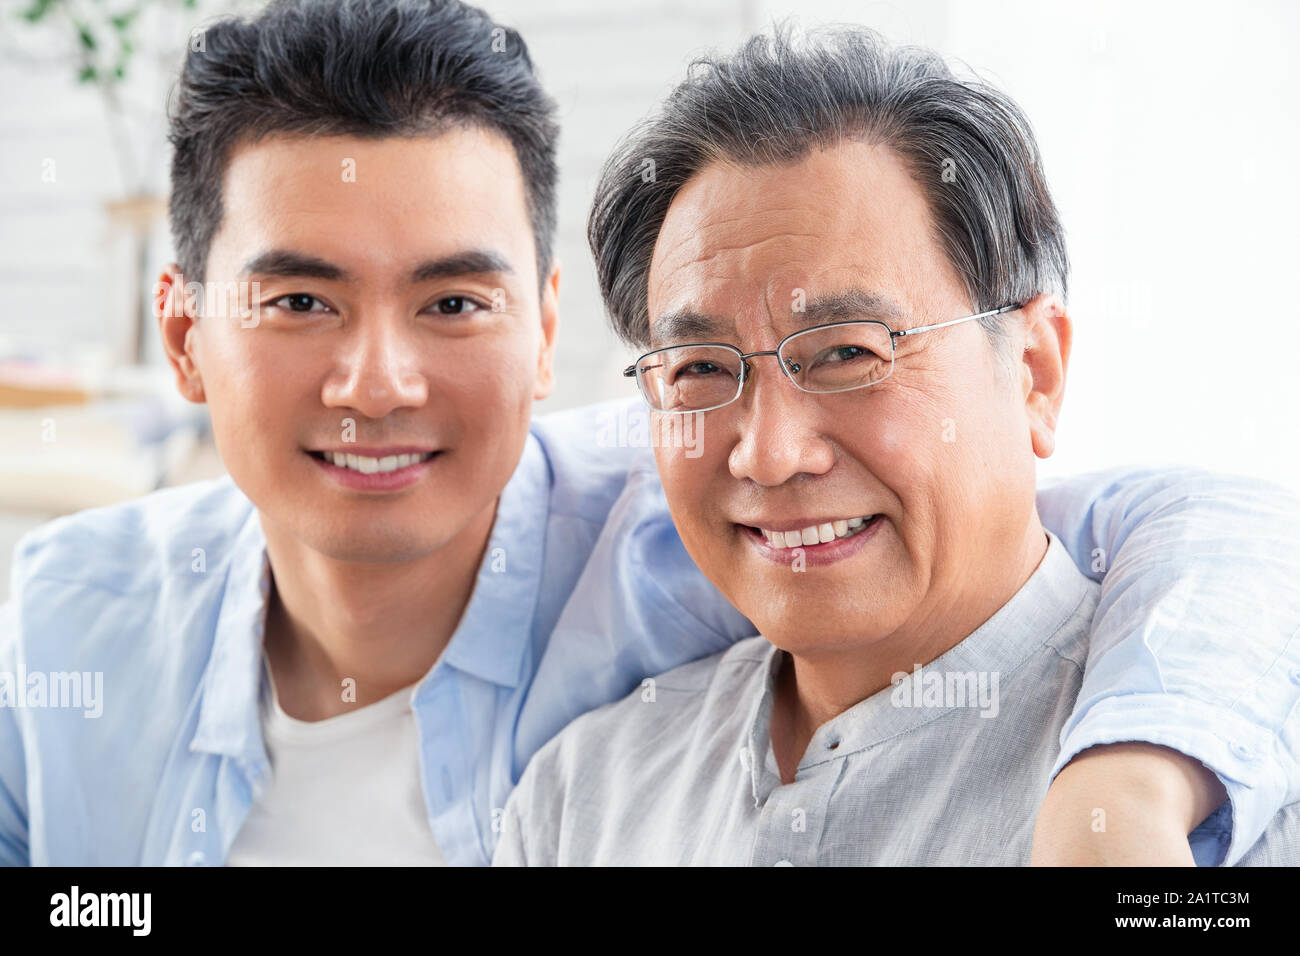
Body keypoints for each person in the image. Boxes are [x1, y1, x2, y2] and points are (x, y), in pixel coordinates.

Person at [1, 0, 1297, 867]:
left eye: (455, 300)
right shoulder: (63, 629)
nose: (379, 381)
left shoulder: (1197, 767)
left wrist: (1131, 790)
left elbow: (1214, 536)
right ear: (183, 336)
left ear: (544, 331)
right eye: (299, 300)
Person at [494, 23, 1300, 865]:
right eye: (699, 366)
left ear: (1033, 372)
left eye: (847, 352)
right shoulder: (578, 799)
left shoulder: (1219, 796)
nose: (769, 455)